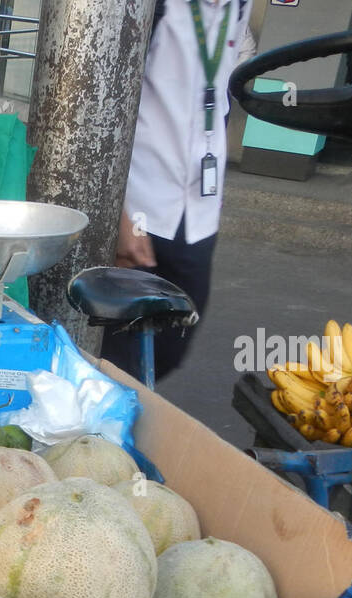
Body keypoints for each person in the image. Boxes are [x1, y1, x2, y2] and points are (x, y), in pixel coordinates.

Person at [103, 0, 255, 383]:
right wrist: (118, 215)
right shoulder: (152, 7)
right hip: (139, 201)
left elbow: (218, 96)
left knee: (175, 339)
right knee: (116, 350)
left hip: (198, 212)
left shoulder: (238, 6)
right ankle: (98, 434)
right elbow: (102, 106)